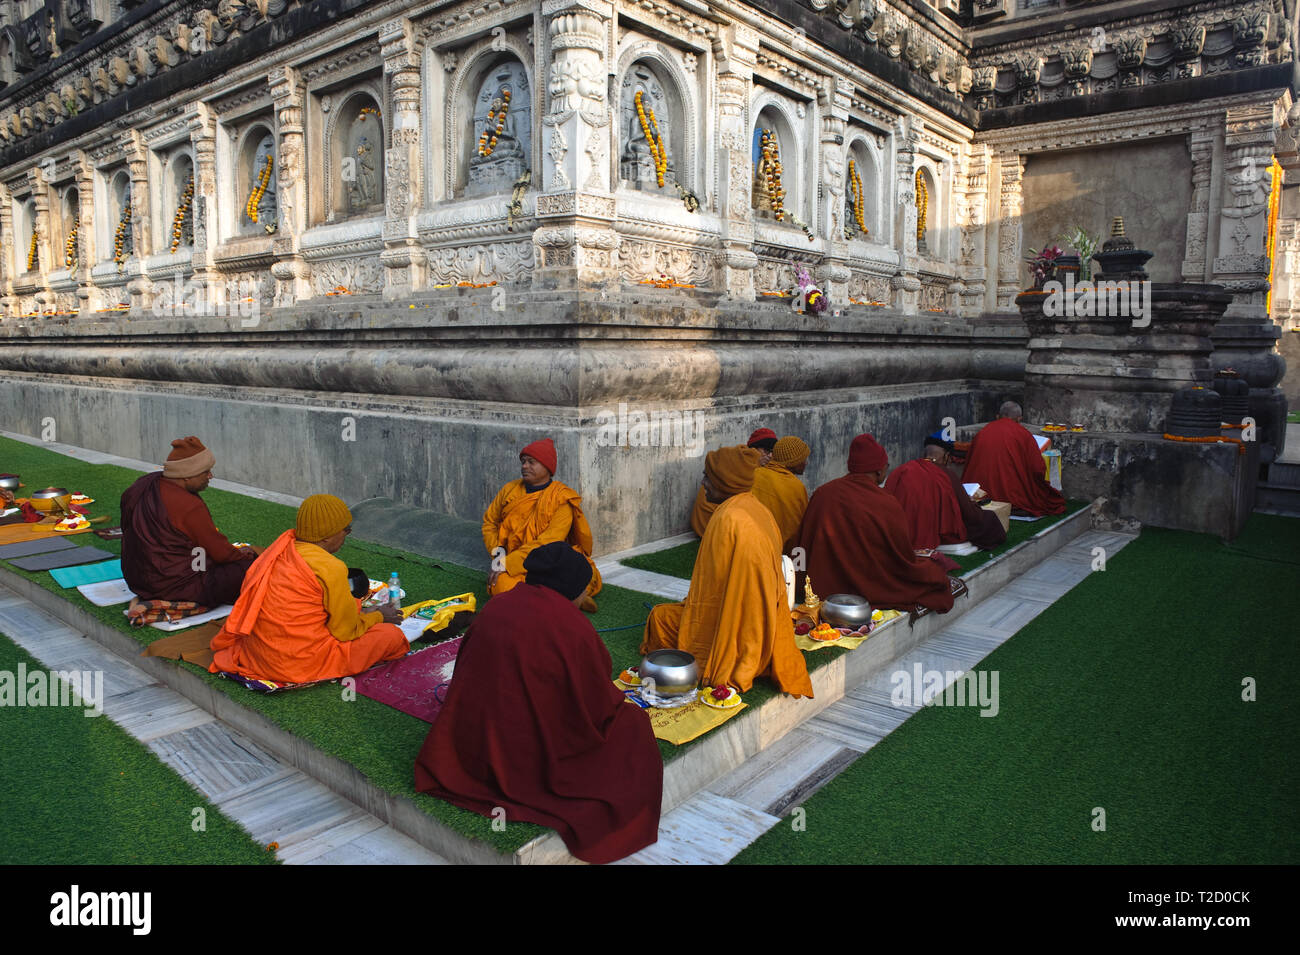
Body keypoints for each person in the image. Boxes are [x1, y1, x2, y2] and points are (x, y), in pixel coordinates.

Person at [415, 542, 662, 865]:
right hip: (530, 753)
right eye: (584, 589)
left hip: (473, 747)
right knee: (632, 727)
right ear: (573, 587)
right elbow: (596, 707)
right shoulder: (572, 627)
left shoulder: (496, 606)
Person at [644, 446, 813, 697]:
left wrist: (694, 616)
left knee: (660, 619)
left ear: (724, 482)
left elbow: (714, 598)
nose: (703, 484)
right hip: (766, 626)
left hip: (740, 631)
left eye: (707, 478)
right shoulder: (754, 506)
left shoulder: (728, 518)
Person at [208, 494, 409, 684]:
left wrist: (362, 612)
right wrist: (379, 616)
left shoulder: (281, 550)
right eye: (345, 530)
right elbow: (345, 632)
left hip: (260, 657)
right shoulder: (330, 567)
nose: (347, 535)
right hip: (299, 663)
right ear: (326, 537)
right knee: (391, 636)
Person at [798, 434, 959, 614]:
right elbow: (901, 557)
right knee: (933, 575)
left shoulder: (822, 494)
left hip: (822, 586)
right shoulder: (886, 502)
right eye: (886, 467)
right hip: (874, 583)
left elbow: (804, 543)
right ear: (879, 471)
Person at [120, 437, 258, 606]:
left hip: (138, 582)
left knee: (201, 556)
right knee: (253, 570)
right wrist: (243, 555)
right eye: (205, 472)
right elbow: (221, 553)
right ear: (186, 476)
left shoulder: (142, 485)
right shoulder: (188, 505)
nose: (210, 476)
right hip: (175, 586)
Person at [481, 437, 601, 611]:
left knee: (583, 575)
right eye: (523, 462)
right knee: (498, 585)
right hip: (516, 564)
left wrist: (508, 563)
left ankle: (551, 601)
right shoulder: (509, 490)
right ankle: (567, 601)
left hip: (550, 565)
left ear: (547, 467)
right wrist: (499, 556)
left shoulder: (561, 498)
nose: (524, 466)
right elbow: (490, 523)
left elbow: (549, 542)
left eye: (531, 462)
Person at [886, 433, 1006, 551]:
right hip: (936, 531)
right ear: (946, 456)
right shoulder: (947, 474)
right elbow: (970, 514)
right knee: (989, 518)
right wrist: (973, 504)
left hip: (899, 530)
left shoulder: (903, 469)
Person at [962, 401, 1065, 517]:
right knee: (1044, 498)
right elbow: (1037, 468)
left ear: (998, 416)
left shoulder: (982, 432)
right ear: (1019, 418)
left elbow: (969, 460)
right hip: (1012, 495)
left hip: (979, 493)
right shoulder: (1023, 434)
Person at [689, 427, 779, 536]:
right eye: (766, 450)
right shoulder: (742, 465)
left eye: (772, 452)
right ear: (754, 448)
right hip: (710, 524)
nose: (770, 456)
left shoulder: (746, 462)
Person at [751, 435, 810, 554]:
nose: (806, 463)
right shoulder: (796, 487)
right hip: (781, 553)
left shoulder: (755, 474)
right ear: (793, 462)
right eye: (803, 459)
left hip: (753, 546)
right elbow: (798, 530)